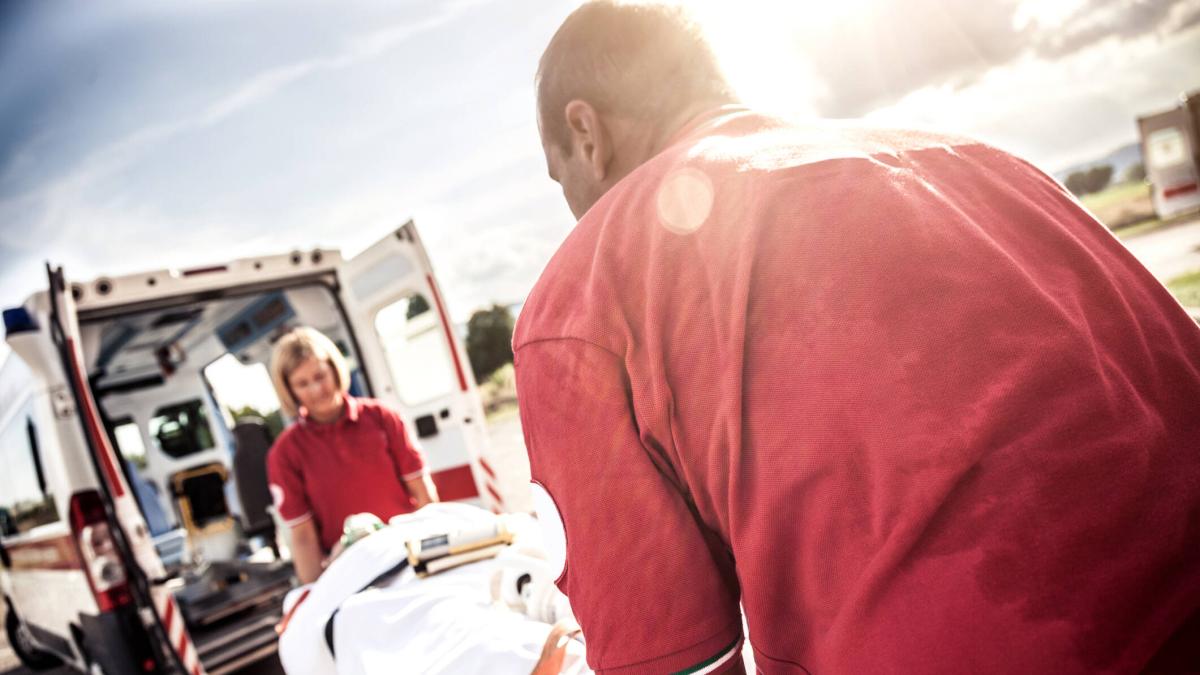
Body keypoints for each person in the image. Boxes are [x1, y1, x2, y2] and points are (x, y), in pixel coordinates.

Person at [513, 2, 1200, 673]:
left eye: (559, 176)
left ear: (587, 134)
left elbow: (667, 662)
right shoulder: (983, 162)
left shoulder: (579, 307)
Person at [267, 327, 438, 583]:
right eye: (302, 384)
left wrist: (438, 549)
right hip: (351, 569)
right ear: (290, 391)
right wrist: (315, 595)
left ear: (335, 370)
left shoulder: (382, 417)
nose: (316, 389)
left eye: (320, 376)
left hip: (409, 553)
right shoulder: (285, 453)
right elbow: (303, 537)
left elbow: (424, 494)